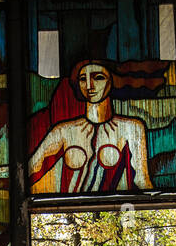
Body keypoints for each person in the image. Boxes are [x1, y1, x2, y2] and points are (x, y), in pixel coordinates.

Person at [30, 60, 153, 193]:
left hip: (116, 209)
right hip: (72, 211)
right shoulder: (63, 130)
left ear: (113, 80)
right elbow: (32, 168)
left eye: (98, 77)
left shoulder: (132, 128)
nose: (89, 86)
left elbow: (141, 180)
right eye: (83, 79)